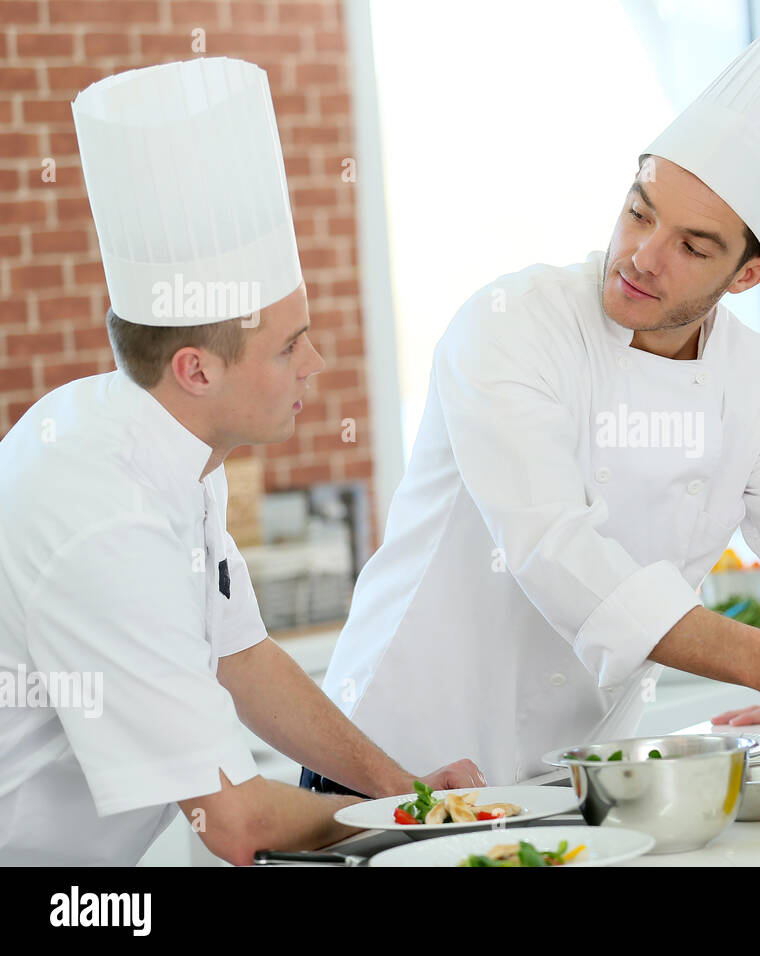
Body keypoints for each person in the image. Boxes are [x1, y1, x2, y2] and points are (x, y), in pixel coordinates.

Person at [313, 0, 760, 792]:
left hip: (564, 781)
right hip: (390, 768)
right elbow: (555, 551)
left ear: (749, 276)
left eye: (693, 246)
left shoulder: (755, 381)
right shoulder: (514, 324)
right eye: (639, 212)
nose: (643, 257)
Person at [0, 58, 482, 867]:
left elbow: (243, 657)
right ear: (197, 370)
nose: (316, 363)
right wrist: (408, 825)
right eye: (291, 346)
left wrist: (404, 791)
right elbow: (234, 825)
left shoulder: (177, 451)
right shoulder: (100, 510)